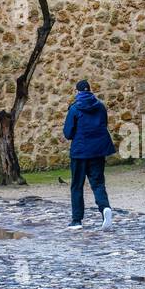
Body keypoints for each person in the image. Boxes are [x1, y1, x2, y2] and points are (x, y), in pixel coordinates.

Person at [62, 79, 116, 229]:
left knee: (77, 186)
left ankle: (77, 220)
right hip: (98, 151)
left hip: (80, 152)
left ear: (78, 92)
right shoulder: (100, 106)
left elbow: (68, 133)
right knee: (98, 183)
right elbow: (103, 125)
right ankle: (105, 208)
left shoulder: (74, 109)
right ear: (89, 90)